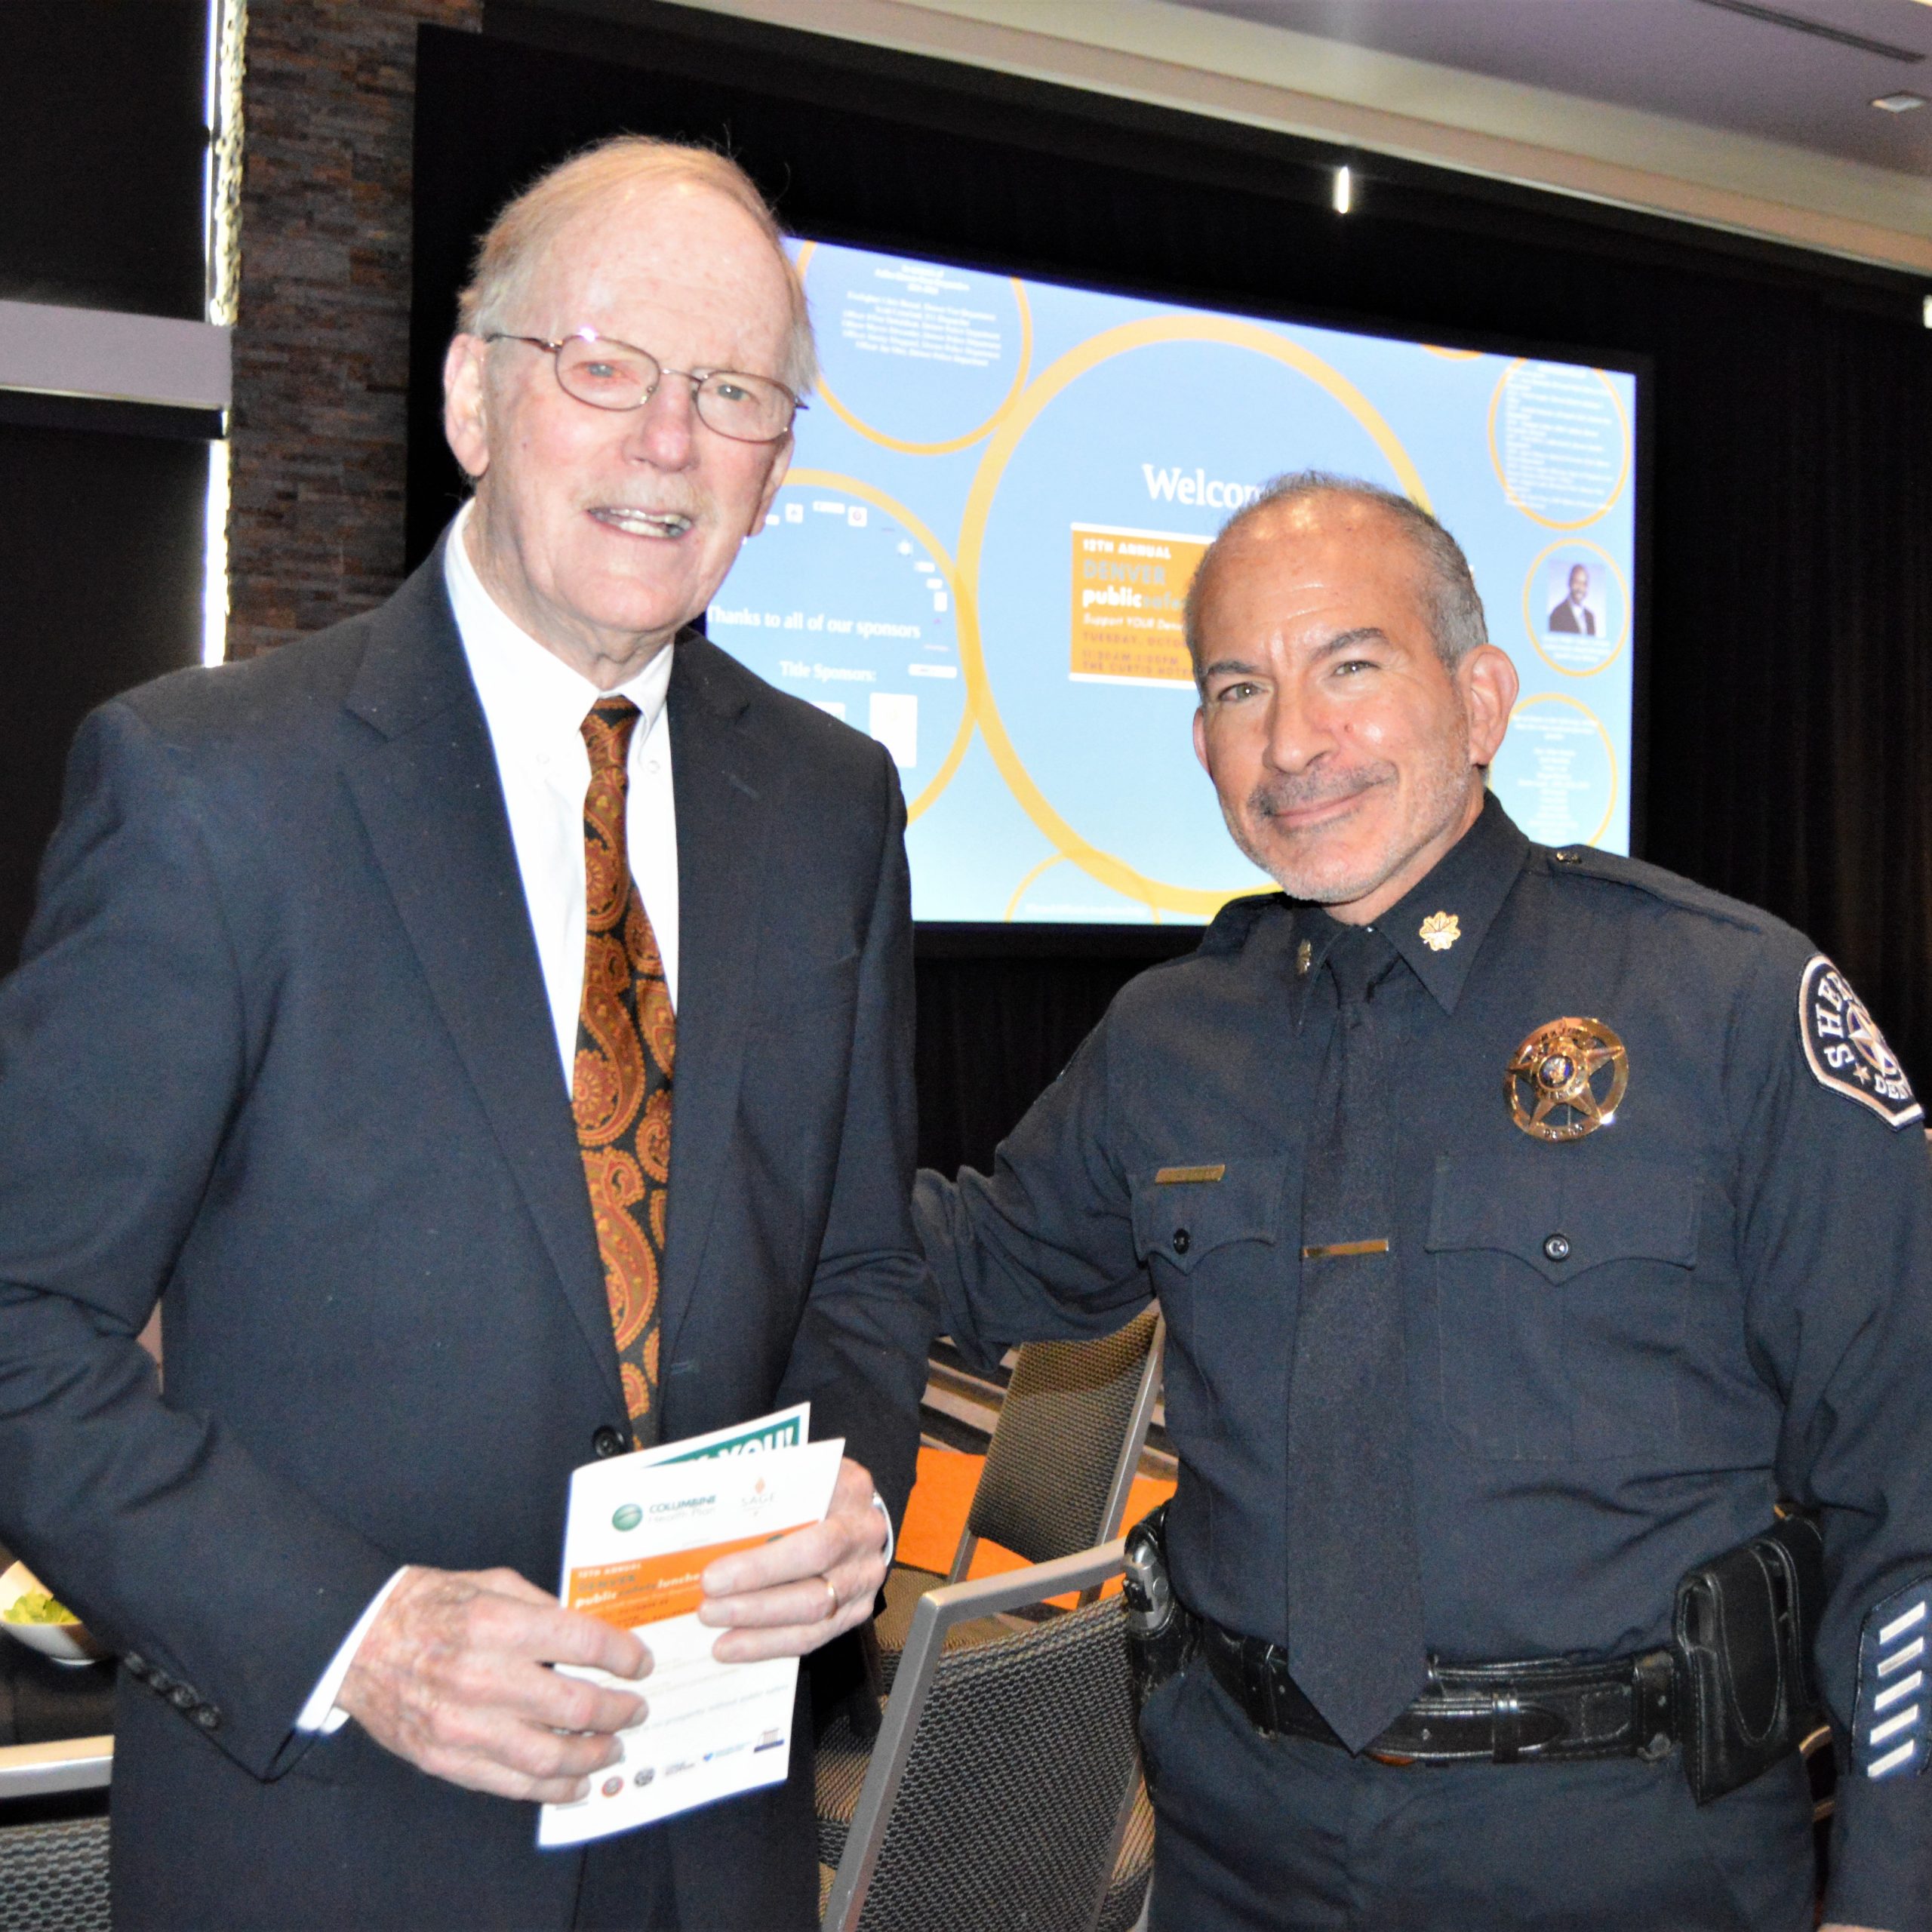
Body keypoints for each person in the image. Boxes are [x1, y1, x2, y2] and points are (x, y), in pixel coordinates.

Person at [0, 138, 934, 1930]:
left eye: (733, 391)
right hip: (333, 1832)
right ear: (472, 396)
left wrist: (856, 1478)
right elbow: (24, 1327)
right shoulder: (212, 791)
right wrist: (361, 1633)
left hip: (713, 1840)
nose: (668, 438)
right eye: (605, 365)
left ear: (773, 462)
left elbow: (863, 1265)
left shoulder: (832, 802)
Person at [915, 472, 1931, 1932]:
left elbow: (1912, 1482)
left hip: (1621, 1857)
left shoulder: (1726, 1003)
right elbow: (971, 1267)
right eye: (1239, 687)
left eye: (1352, 667)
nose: (1293, 742)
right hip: (1236, 1846)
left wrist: (1893, 1899)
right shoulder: (1168, 1041)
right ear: (1201, 742)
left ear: (1484, 697)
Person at [1548, 560, 1597, 632]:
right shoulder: (1557, 614)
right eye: (1577, 582)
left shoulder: (1590, 617)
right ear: (1569, 583)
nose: (1580, 588)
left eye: (1584, 584)